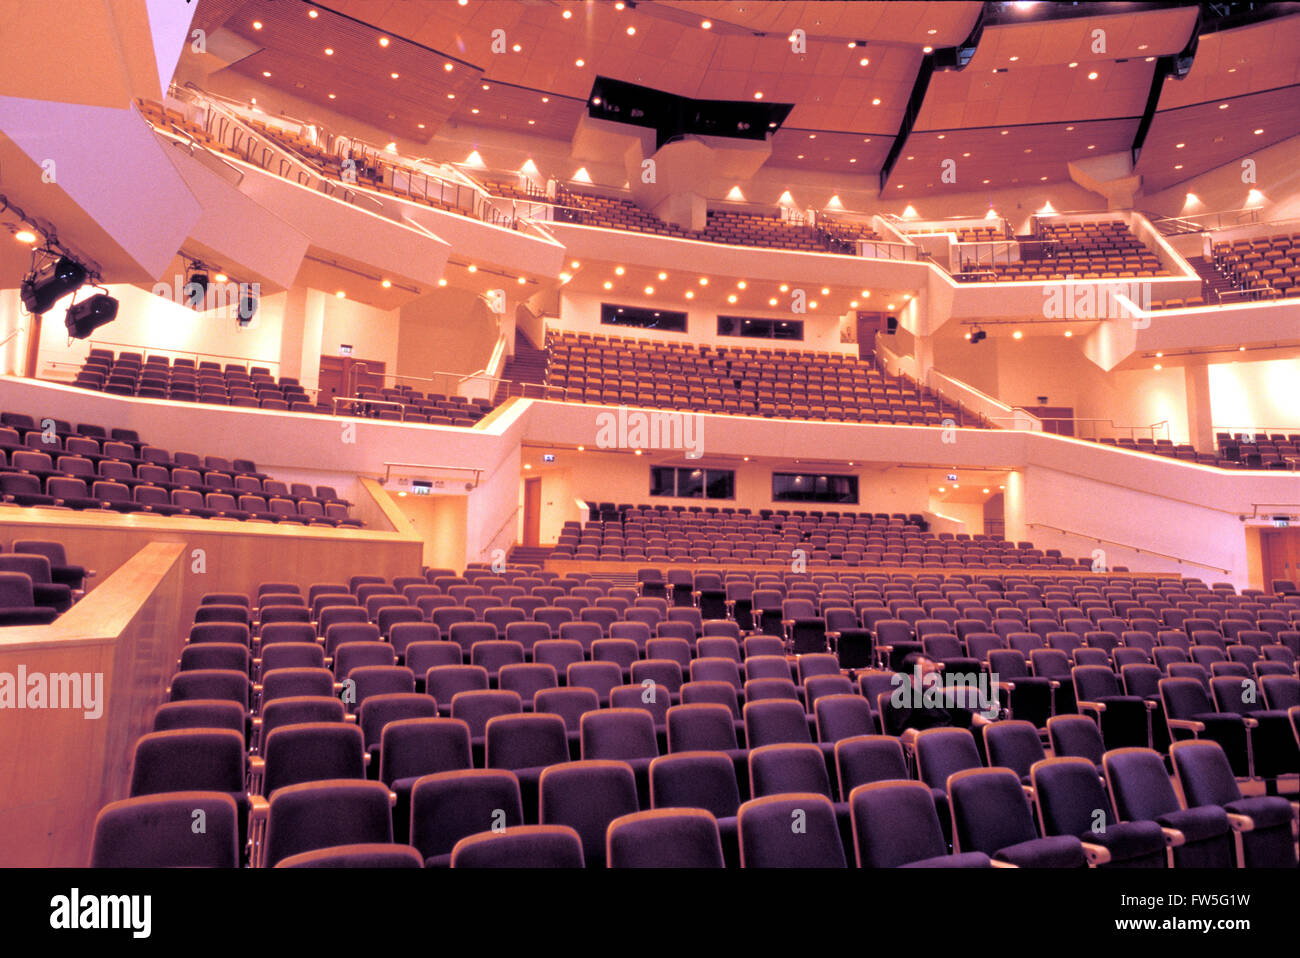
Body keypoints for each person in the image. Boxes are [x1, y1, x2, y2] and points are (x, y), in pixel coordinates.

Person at [885, 652, 995, 751]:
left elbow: (968, 716)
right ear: (912, 678)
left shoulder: (935, 695)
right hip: (935, 745)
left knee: (985, 732)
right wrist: (933, 741)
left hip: (955, 738)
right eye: (928, 674)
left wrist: (992, 728)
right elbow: (905, 733)